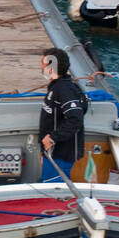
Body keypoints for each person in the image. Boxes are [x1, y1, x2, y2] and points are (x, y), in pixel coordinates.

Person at [38, 47, 89, 182]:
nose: (41, 66)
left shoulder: (64, 90)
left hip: (60, 154)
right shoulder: (56, 87)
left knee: (54, 189)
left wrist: (52, 138)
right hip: (52, 152)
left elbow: (75, 119)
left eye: (43, 63)